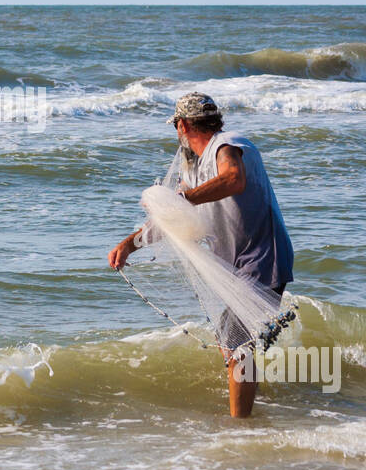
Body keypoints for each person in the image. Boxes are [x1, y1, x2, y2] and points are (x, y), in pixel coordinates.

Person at [108, 92, 294, 417]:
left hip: (264, 257)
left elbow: (233, 179)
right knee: (231, 340)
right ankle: (251, 407)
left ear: (182, 125)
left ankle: (241, 428)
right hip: (235, 265)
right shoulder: (190, 170)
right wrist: (129, 245)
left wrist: (185, 198)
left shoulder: (228, 145)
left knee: (236, 342)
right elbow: (173, 223)